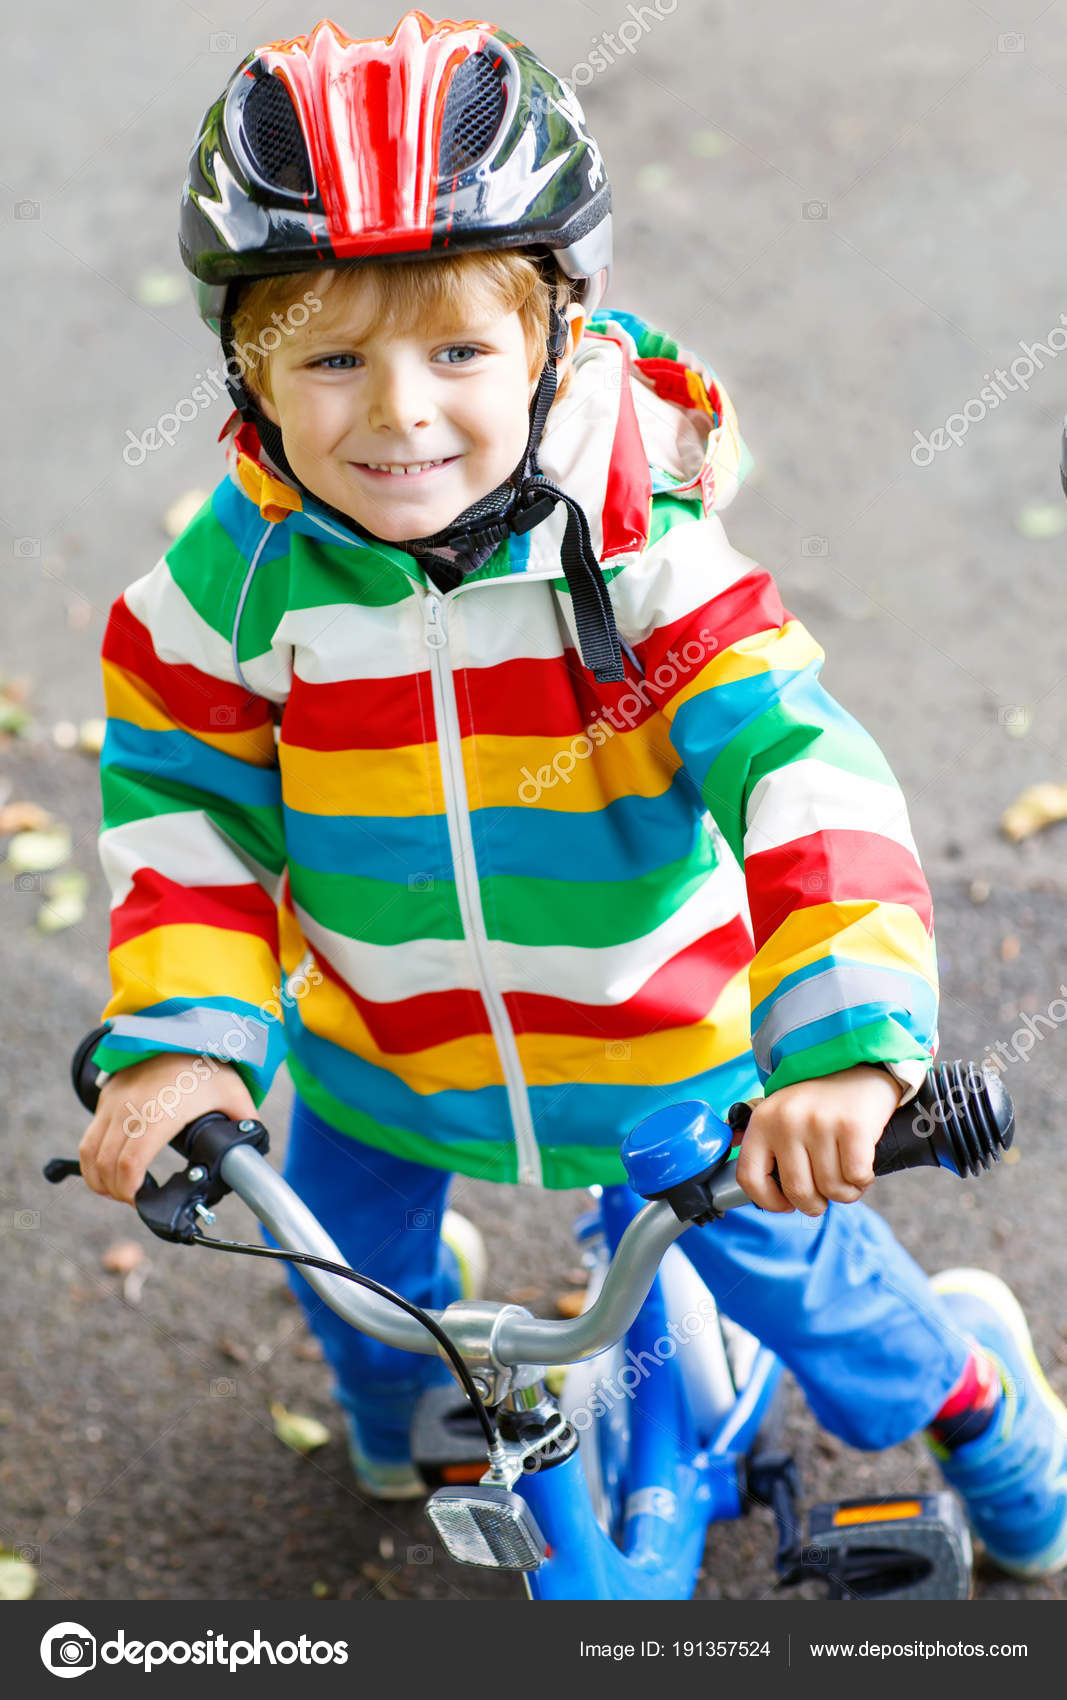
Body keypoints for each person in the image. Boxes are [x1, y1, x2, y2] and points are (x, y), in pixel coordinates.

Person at [78, 14, 1067, 1574]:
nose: (399, 414)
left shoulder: (646, 559)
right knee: (352, 1283)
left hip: (664, 1048)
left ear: (552, 337)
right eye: (332, 358)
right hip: (376, 1052)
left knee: (816, 1294)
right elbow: (186, 813)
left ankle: (977, 1395)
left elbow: (807, 767)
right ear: (246, 364)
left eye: (457, 351)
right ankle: (410, 1403)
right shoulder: (230, 592)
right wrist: (188, 1042)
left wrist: (845, 1047)